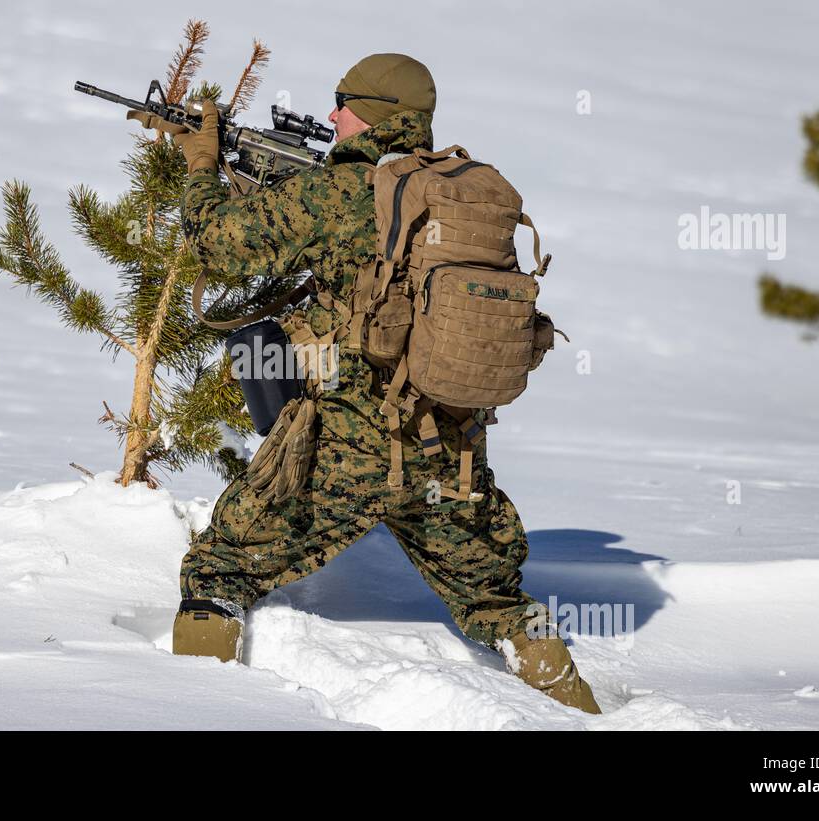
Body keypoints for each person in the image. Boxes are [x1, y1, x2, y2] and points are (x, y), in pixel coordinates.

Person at [167, 53, 600, 714]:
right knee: (497, 599)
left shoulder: (339, 193)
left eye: (343, 101)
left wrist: (201, 164)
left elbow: (219, 248)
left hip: (346, 448)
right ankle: (587, 712)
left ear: (370, 115)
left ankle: (177, 711)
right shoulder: (460, 193)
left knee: (218, 569)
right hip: (448, 454)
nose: (333, 114)